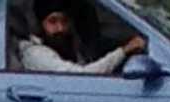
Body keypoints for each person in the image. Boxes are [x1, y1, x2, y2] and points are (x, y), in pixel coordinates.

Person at [12, 5, 147, 72]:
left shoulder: (70, 46)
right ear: (40, 25)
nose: (60, 28)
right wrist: (124, 51)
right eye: (52, 22)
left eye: (64, 21)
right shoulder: (36, 54)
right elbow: (83, 76)